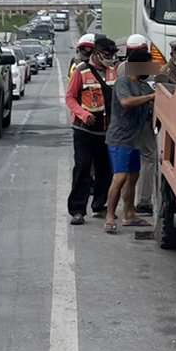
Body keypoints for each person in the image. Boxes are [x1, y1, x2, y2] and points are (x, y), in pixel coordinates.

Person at [65, 35, 118, 224]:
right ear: (95, 53)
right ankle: (77, 211)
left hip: (107, 131)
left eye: (113, 54)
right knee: (82, 169)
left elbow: (144, 71)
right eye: (107, 54)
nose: (110, 58)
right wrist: (82, 114)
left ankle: (99, 206)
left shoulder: (114, 71)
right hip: (84, 131)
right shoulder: (80, 71)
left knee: (105, 171)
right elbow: (70, 97)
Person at [103, 48, 157, 233]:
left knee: (133, 177)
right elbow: (126, 102)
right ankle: (110, 215)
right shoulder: (122, 83)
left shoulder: (144, 87)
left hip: (135, 139)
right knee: (120, 177)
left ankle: (129, 214)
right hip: (119, 139)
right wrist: (151, 97)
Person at [125, 33, 158, 215]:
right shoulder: (141, 69)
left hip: (124, 123)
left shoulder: (119, 68)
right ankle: (143, 201)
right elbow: (163, 75)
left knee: (124, 162)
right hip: (141, 119)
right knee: (148, 157)